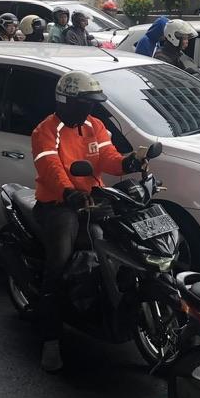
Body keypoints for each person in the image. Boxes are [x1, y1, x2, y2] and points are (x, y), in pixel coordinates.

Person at [31, 71, 147, 372]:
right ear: (67, 101)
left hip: (94, 199)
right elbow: (49, 166)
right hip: (59, 205)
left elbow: (108, 157)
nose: (91, 109)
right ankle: (49, 339)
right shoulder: (45, 130)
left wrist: (128, 163)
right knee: (57, 266)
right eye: (85, 103)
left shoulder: (94, 125)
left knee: (127, 242)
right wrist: (68, 192)